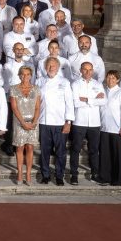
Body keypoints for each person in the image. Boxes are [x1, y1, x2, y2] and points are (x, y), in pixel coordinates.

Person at [36, 57, 74, 186]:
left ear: (58, 68)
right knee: (44, 151)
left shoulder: (64, 82)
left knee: (60, 152)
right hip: (43, 122)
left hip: (60, 122)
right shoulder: (39, 81)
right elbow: (36, 102)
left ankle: (59, 176)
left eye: (53, 66)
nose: (51, 68)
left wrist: (68, 122)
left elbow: (69, 102)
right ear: (45, 67)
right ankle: (45, 175)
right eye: (49, 66)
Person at [71, 61, 106, 184]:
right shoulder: (75, 84)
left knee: (94, 150)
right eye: (85, 69)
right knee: (75, 149)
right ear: (80, 70)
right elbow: (76, 103)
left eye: (90, 69)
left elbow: (103, 101)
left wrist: (86, 99)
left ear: (93, 71)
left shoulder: (98, 84)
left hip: (95, 123)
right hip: (79, 122)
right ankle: (74, 175)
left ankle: (94, 174)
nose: (87, 72)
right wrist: (95, 99)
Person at [9, 66, 40, 185]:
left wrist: (34, 122)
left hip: (33, 122)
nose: (25, 76)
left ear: (31, 76)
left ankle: (28, 175)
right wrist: (23, 123)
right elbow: (14, 108)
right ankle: (20, 174)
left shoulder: (36, 89)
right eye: (22, 74)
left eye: (27, 74)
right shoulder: (13, 89)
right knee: (19, 147)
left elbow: (37, 107)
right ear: (19, 75)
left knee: (30, 148)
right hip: (19, 122)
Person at [98, 70, 121, 187]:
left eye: (113, 78)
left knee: (118, 155)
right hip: (104, 128)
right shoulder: (103, 91)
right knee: (105, 155)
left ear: (117, 80)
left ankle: (119, 180)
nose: (110, 80)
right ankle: (105, 178)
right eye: (108, 77)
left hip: (117, 129)